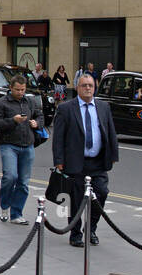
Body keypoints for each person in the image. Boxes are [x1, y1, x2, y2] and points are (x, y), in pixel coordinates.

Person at [51, 73, 119, 247]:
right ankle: (75, 233)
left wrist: (113, 155)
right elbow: (58, 137)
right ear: (77, 87)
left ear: (95, 87)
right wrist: (59, 160)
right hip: (75, 162)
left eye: (90, 85)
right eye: (84, 85)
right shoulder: (66, 108)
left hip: (97, 162)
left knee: (102, 193)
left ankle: (91, 229)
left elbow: (110, 132)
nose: (88, 88)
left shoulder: (103, 107)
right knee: (75, 199)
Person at [0, 75, 42, 225]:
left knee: (23, 182)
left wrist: (36, 123)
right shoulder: (1, 103)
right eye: (17, 90)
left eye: (23, 90)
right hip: (8, 145)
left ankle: (16, 214)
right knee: (10, 176)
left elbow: (40, 116)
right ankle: (5, 205)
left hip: (28, 145)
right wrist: (13, 121)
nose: (20, 92)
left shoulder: (30, 101)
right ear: (11, 88)